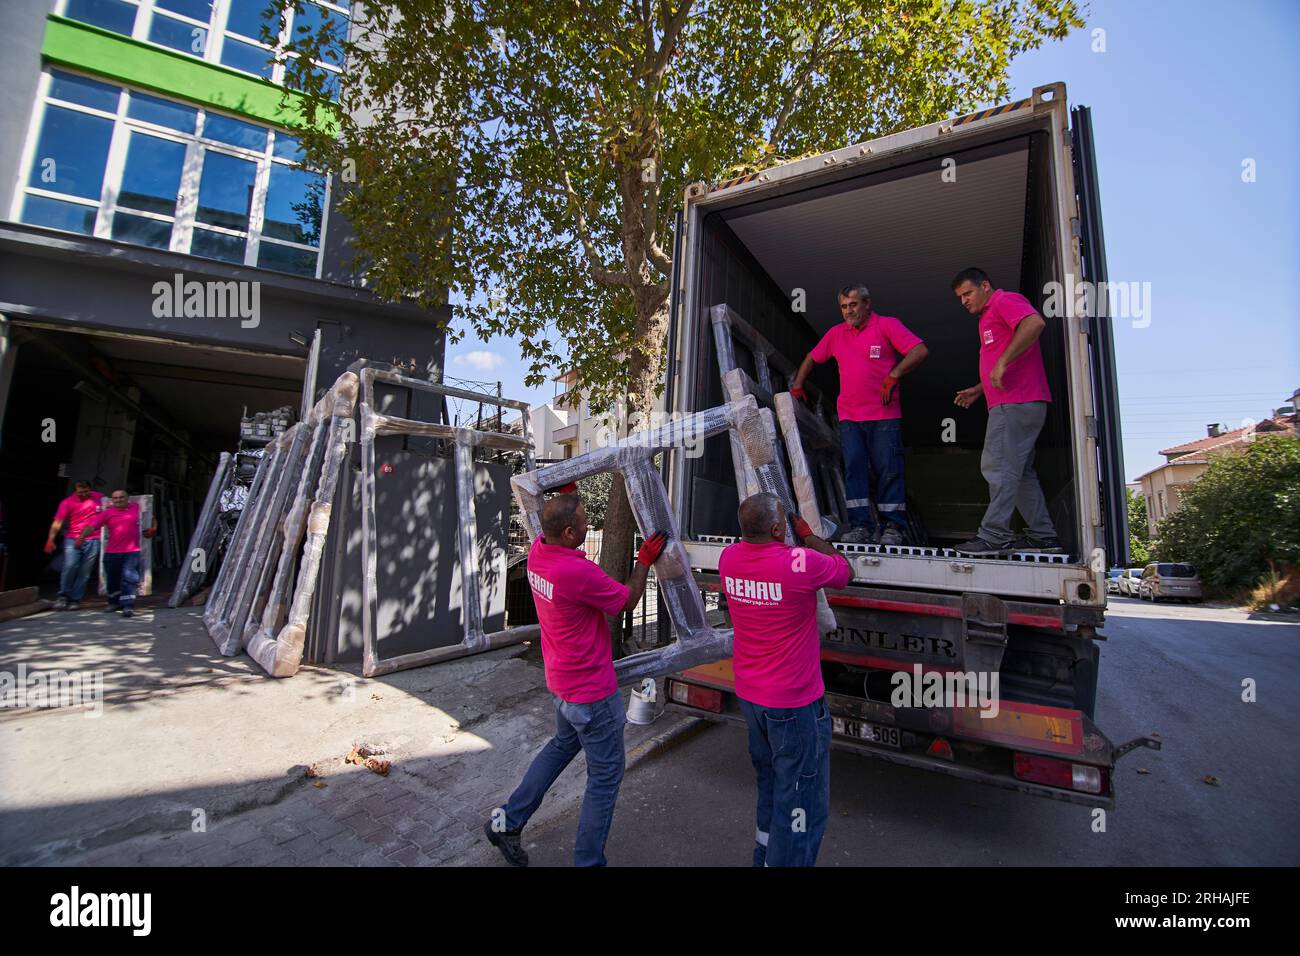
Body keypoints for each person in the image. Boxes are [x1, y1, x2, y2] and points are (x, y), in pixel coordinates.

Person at [484, 492, 668, 867]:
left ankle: (506, 822)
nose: (589, 526)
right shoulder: (576, 572)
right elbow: (627, 601)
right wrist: (643, 561)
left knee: (559, 748)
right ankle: (588, 862)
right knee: (604, 778)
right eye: (585, 523)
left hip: (563, 686)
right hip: (591, 695)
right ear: (568, 533)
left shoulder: (538, 552)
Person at [719, 492, 852, 866]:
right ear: (779, 528)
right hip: (794, 706)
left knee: (771, 784)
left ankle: (763, 856)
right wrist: (809, 535)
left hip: (752, 699)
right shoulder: (802, 562)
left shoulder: (729, 559)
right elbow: (845, 571)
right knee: (802, 802)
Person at [790, 284, 928, 545]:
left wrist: (894, 375)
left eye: (853, 305)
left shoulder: (886, 326)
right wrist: (797, 385)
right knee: (854, 469)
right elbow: (811, 357)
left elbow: (919, 350)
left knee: (888, 469)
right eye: (843, 306)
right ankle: (860, 526)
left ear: (867, 304)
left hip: (884, 416)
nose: (848, 311)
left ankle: (893, 528)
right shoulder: (836, 334)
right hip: (850, 417)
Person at [950, 267, 1064, 555]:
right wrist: (980, 388)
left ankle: (994, 535)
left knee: (997, 467)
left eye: (968, 293)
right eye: (959, 297)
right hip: (1018, 401)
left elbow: (1035, 323)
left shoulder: (1003, 301)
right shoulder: (987, 317)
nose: (963, 301)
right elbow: (1001, 359)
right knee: (1021, 473)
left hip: (1015, 402)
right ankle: (1043, 536)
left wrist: (1001, 363)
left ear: (985, 286)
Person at [75, 490, 155, 617]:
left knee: (129, 578)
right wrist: (81, 537)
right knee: (112, 579)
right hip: (112, 552)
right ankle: (113, 602)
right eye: (115, 498)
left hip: (131, 551)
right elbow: (92, 526)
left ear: (128, 499)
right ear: (112, 500)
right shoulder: (107, 513)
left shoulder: (136, 507)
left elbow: (152, 517)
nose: (118, 500)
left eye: (121, 497)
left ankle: (128, 605)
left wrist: (153, 528)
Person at [44, 480, 105, 610]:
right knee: (70, 566)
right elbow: (57, 522)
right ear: (75, 491)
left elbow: (111, 512)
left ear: (90, 489)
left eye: (86, 491)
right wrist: (50, 539)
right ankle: (63, 595)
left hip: (93, 538)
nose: (83, 494)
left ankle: (75, 599)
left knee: (85, 571)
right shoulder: (67, 502)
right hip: (73, 537)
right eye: (80, 492)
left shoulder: (99, 498)